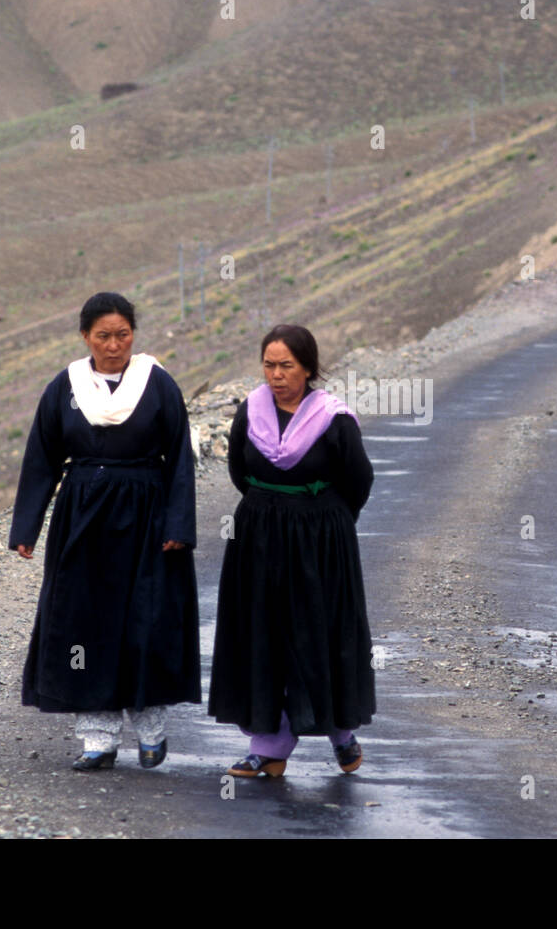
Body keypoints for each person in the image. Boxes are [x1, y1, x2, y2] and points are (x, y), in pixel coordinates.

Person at [9, 292, 200, 771]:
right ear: (85, 337)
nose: (114, 345)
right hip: (83, 517)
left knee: (146, 620)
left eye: (122, 335)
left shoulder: (157, 384)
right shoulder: (65, 387)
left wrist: (178, 524)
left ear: (133, 334)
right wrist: (27, 527)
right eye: (103, 336)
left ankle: (151, 729)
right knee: (84, 622)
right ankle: (98, 739)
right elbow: (42, 458)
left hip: (147, 515)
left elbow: (179, 459)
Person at [208, 324, 376, 777]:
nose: (276, 375)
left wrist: (325, 521)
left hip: (319, 539)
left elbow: (358, 480)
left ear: (308, 368)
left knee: (318, 633)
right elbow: (240, 472)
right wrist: (270, 508)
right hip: (258, 535)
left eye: (287, 366)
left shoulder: (333, 418)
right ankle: (269, 745)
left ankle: (342, 732)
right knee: (263, 632)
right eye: (269, 365)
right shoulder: (252, 410)